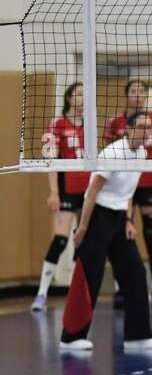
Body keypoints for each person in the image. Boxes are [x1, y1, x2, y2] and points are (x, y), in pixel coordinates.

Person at [59, 112, 152, 351]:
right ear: (128, 129)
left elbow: (128, 194)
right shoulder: (113, 152)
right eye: (141, 127)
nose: (146, 132)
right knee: (90, 275)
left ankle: (138, 336)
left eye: (149, 128)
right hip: (98, 215)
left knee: (135, 273)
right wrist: (82, 228)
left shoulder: (143, 154)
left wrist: (128, 221)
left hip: (118, 218)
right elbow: (92, 192)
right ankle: (71, 337)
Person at [105, 79, 152, 308]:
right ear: (127, 95)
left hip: (149, 181)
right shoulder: (115, 121)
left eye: (142, 91)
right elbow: (109, 151)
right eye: (133, 91)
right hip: (122, 184)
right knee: (120, 234)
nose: (138, 95)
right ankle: (120, 288)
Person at [34, 83, 88, 312]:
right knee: (60, 240)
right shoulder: (57, 124)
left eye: (85, 94)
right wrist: (54, 192)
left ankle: (78, 296)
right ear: (68, 98)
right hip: (67, 189)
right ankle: (42, 294)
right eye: (77, 94)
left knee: (84, 242)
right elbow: (51, 161)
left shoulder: (90, 125)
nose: (82, 98)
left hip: (88, 191)